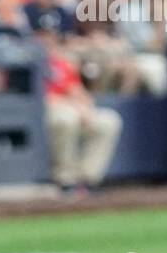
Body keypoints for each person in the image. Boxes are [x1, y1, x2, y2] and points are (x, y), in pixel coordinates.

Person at [35, 15, 123, 197]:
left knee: (108, 120)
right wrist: (74, 106)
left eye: (50, 35)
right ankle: (65, 181)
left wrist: (86, 107)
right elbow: (37, 98)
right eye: (42, 35)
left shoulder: (61, 62)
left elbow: (77, 90)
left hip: (71, 108)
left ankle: (88, 180)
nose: (47, 40)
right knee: (67, 118)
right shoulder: (29, 62)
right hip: (45, 113)